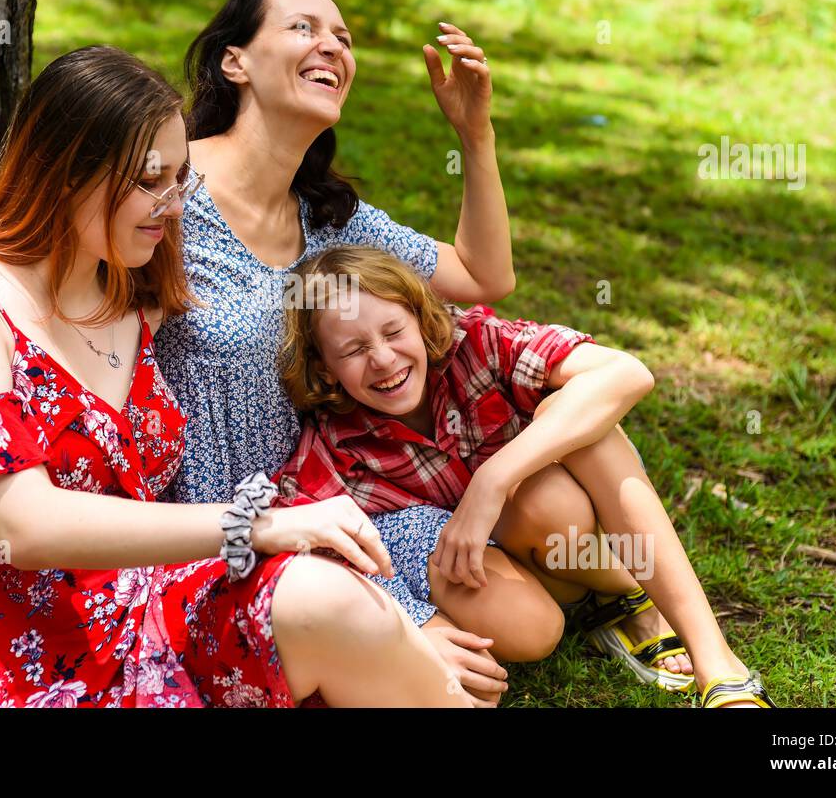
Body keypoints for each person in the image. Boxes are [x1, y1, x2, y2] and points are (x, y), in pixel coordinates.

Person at [0, 45, 470, 707]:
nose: (174, 204)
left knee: (328, 597)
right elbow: (26, 526)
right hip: (8, 663)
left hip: (147, 615)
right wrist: (254, 524)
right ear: (67, 171)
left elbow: (292, 297)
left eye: (180, 178)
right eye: (152, 180)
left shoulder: (138, 298)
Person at [269, 245, 775, 708]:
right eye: (354, 351)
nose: (382, 359)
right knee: (532, 631)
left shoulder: (480, 345)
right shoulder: (336, 444)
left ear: (422, 321)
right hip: (481, 559)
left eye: (394, 332)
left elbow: (626, 373)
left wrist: (491, 480)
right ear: (326, 368)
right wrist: (414, 624)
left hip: (550, 517)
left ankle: (717, 664)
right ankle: (616, 594)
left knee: (582, 426)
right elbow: (297, 548)